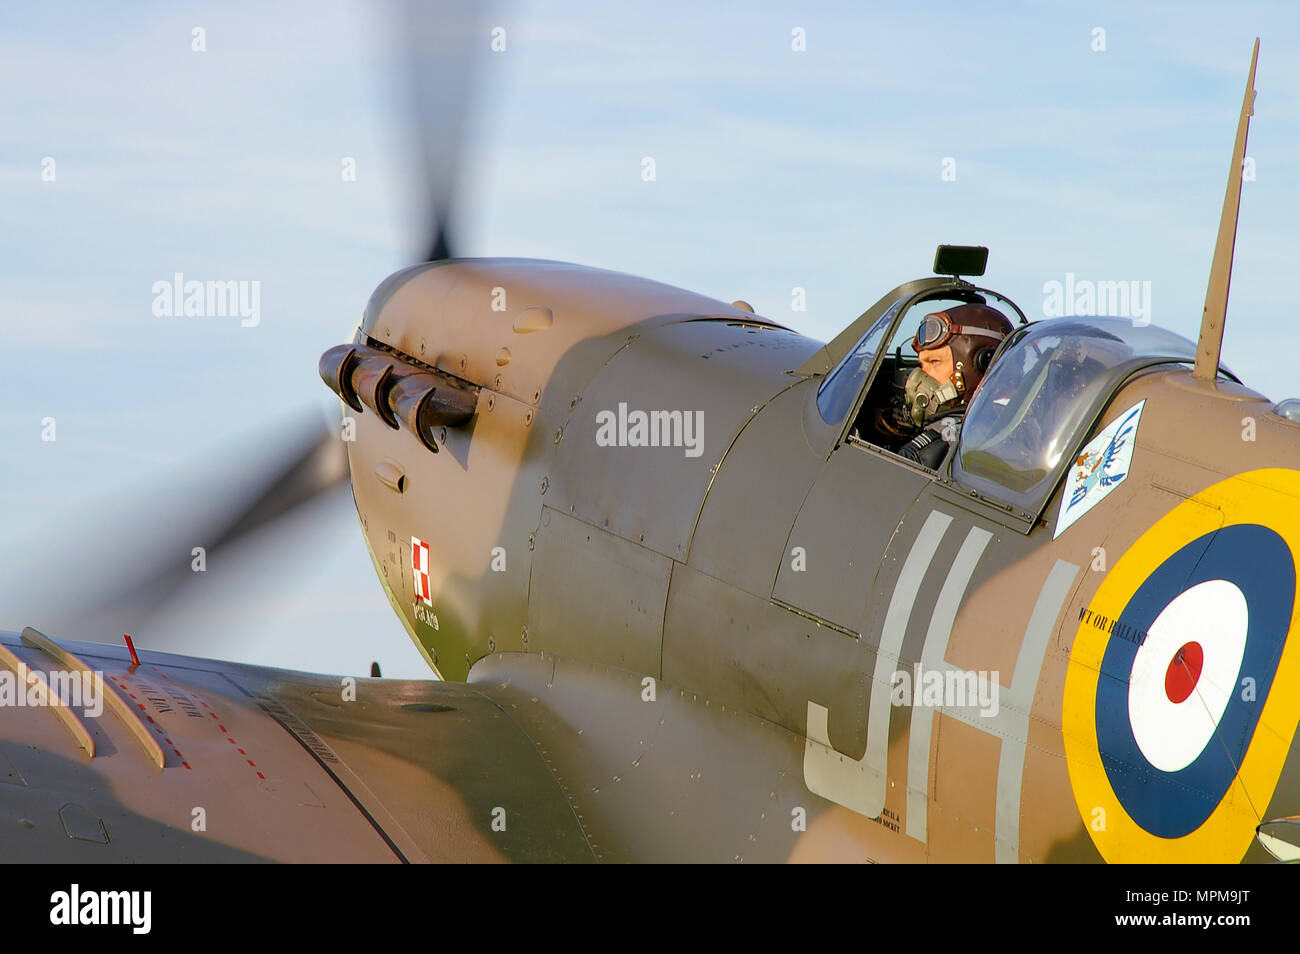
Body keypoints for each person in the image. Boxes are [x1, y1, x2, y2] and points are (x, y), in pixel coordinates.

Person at [895, 303, 1014, 468]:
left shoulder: (929, 452)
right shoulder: (1037, 418)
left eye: (935, 362)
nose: (922, 377)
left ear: (984, 363)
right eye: (922, 365)